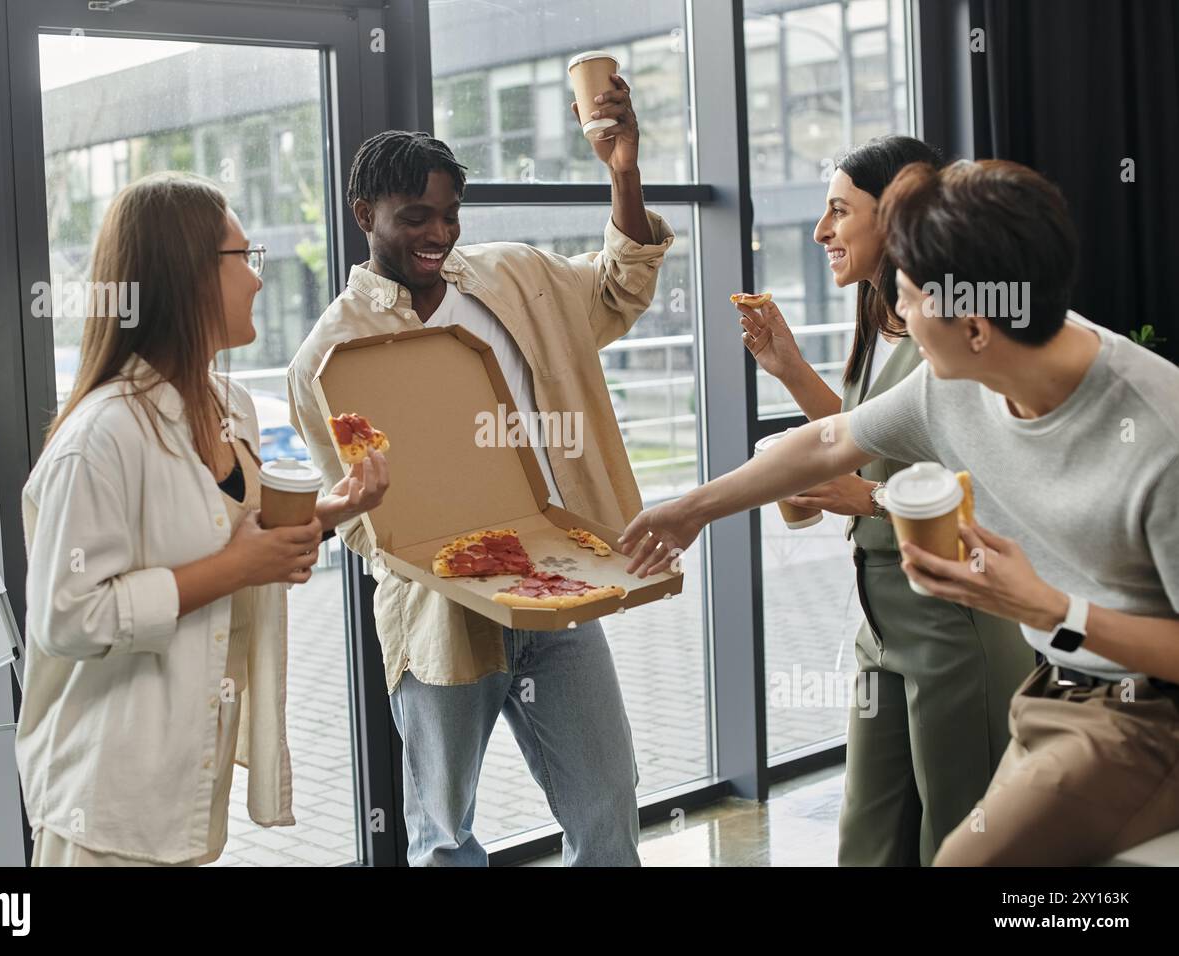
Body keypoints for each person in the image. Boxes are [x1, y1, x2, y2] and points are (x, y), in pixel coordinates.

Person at [619, 158, 1179, 865]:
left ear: (976, 325)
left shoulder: (1159, 434)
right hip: (1059, 683)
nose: (903, 315)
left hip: (1151, 710)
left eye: (911, 298)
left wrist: (1049, 609)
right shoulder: (957, 384)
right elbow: (827, 442)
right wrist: (691, 509)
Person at [288, 73, 675, 866]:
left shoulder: (516, 279)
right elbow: (359, 520)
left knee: (607, 802)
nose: (440, 233)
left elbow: (622, 282)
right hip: (439, 615)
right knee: (444, 835)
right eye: (416, 217)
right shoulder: (328, 356)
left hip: (560, 584)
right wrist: (459, 559)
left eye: (451, 215)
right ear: (366, 217)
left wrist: (622, 169)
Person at [17, 171, 387, 866]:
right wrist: (234, 569)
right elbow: (65, 618)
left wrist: (336, 510)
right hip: (106, 804)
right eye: (243, 259)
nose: (257, 280)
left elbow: (239, 535)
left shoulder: (229, 404)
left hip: (188, 777)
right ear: (186, 274)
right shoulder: (101, 438)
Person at [737, 135, 1029, 865]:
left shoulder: (954, 337)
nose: (819, 232)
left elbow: (991, 492)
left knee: (957, 844)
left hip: (956, 626)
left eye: (838, 211)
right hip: (881, 627)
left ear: (895, 215)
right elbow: (860, 434)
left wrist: (863, 499)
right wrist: (789, 368)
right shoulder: (881, 323)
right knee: (867, 842)